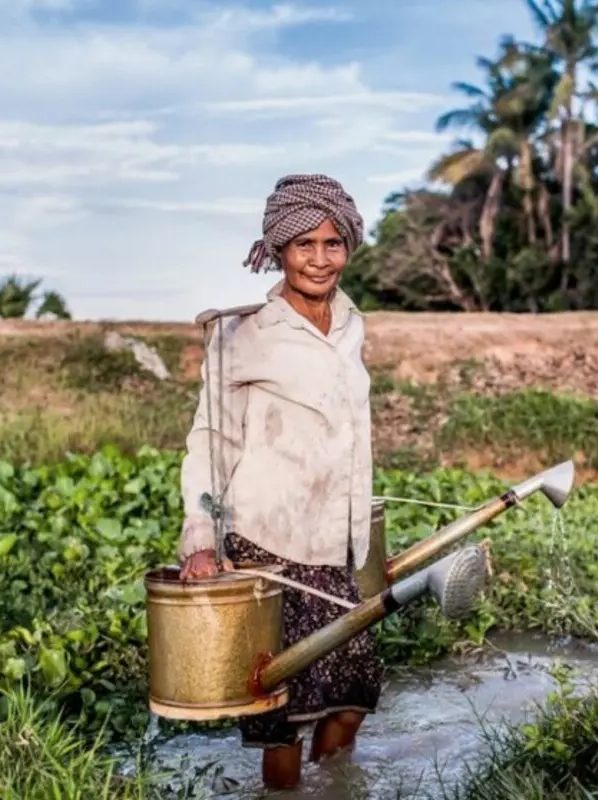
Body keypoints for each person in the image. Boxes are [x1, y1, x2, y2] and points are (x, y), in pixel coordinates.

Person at [176, 173, 382, 791]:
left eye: (332, 243)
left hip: (338, 544)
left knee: (353, 697)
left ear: (347, 245)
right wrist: (200, 536)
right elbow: (212, 438)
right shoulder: (244, 334)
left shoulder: (351, 325)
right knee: (284, 713)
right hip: (268, 545)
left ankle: (332, 788)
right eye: (303, 245)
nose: (319, 259)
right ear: (277, 249)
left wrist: (370, 537)